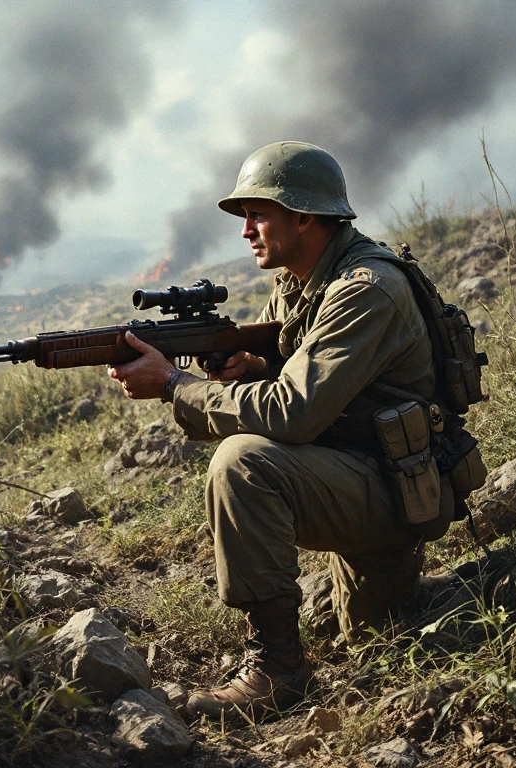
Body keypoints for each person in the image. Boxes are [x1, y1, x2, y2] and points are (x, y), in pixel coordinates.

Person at [108, 141, 445, 721]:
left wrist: (173, 386)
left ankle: (278, 673)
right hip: (349, 467)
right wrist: (256, 369)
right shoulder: (302, 281)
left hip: (393, 488)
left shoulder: (364, 289)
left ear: (305, 216)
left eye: (257, 214)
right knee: (378, 637)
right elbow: (313, 376)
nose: (245, 231)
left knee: (242, 462)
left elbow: (293, 414)